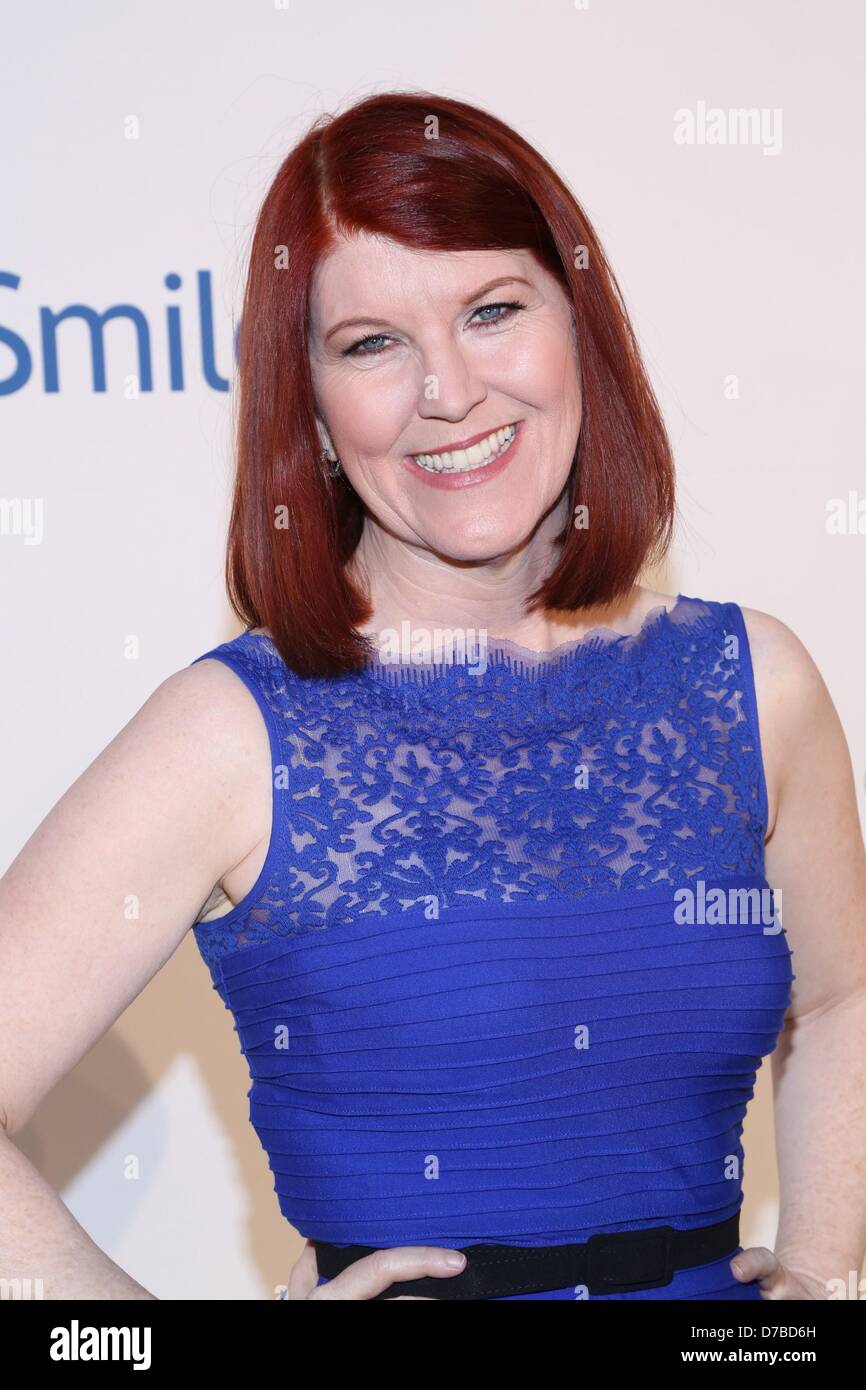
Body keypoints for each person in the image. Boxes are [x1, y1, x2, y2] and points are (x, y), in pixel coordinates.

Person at [2, 90, 865, 1302]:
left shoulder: (752, 683)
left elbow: (837, 997)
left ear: (581, 328)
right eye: (371, 344)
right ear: (306, 403)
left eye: (492, 310)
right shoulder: (236, 733)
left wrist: (823, 1270)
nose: (447, 390)